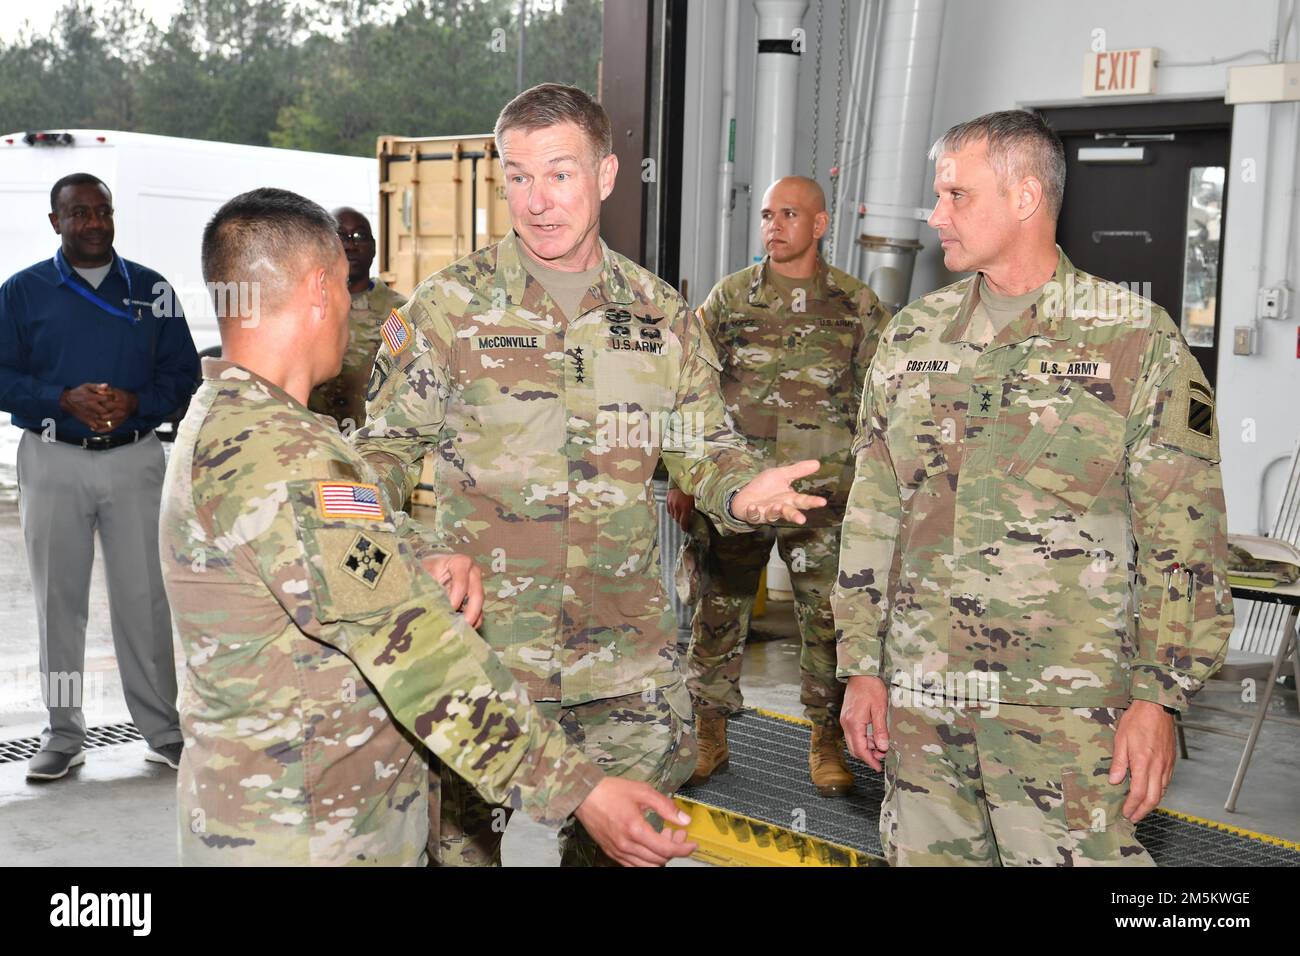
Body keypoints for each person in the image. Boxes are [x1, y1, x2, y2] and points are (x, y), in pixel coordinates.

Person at [354, 83, 826, 866]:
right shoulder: (447, 309)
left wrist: (742, 490)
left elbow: (704, 447)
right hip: (481, 662)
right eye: (518, 176)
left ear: (606, 176)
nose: (537, 201)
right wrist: (403, 549)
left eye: (560, 174)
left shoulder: (660, 314)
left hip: (626, 669)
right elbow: (383, 455)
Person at [160, 186, 699, 866]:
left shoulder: (232, 420)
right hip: (310, 833)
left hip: (283, 817)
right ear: (322, 290)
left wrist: (416, 554)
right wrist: (581, 790)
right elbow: (418, 654)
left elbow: (324, 558)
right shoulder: (286, 453)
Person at [834, 110, 1233, 866]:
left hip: (1067, 718)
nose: (935, 214)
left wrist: (1159, 698)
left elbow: (1184, 536)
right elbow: (874, 514)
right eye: (938, 195)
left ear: (1024, 198)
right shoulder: (913, 338)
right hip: (922, 707)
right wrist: (861, 665)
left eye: (957, 195)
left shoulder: (1136, 340)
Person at [671, 175, 889, 796]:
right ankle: (708, 731)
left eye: (789, 214)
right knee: (717, 607)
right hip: (738, 485)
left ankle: (826, 737)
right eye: (767, 214)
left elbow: (883, 403)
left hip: (824, 495)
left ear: (819, 225)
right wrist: (690, 475)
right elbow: (691, 387)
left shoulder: (857, 305)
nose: (773, 225)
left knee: (828, 619)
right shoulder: (731, 298)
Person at [0, 172, 198, 781]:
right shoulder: (22, 292)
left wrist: (136, 404)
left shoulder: (152, 289)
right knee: (60, 604)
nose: (93, 223)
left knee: (144, 599)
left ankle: (163, 729)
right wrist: (60, 399)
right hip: (53, 458)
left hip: (135, 459)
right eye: (79, 213)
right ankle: (63, 733)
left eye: (102, 211)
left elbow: (185, 376)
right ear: (55, 221)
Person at [308, 207, 405, 432]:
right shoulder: (306, 304)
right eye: (342, 236)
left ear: (373, 248)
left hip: (373, 442)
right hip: (318, 439)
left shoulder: (397, 311)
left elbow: (408, 374)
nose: (351, 245)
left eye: (360, 236)